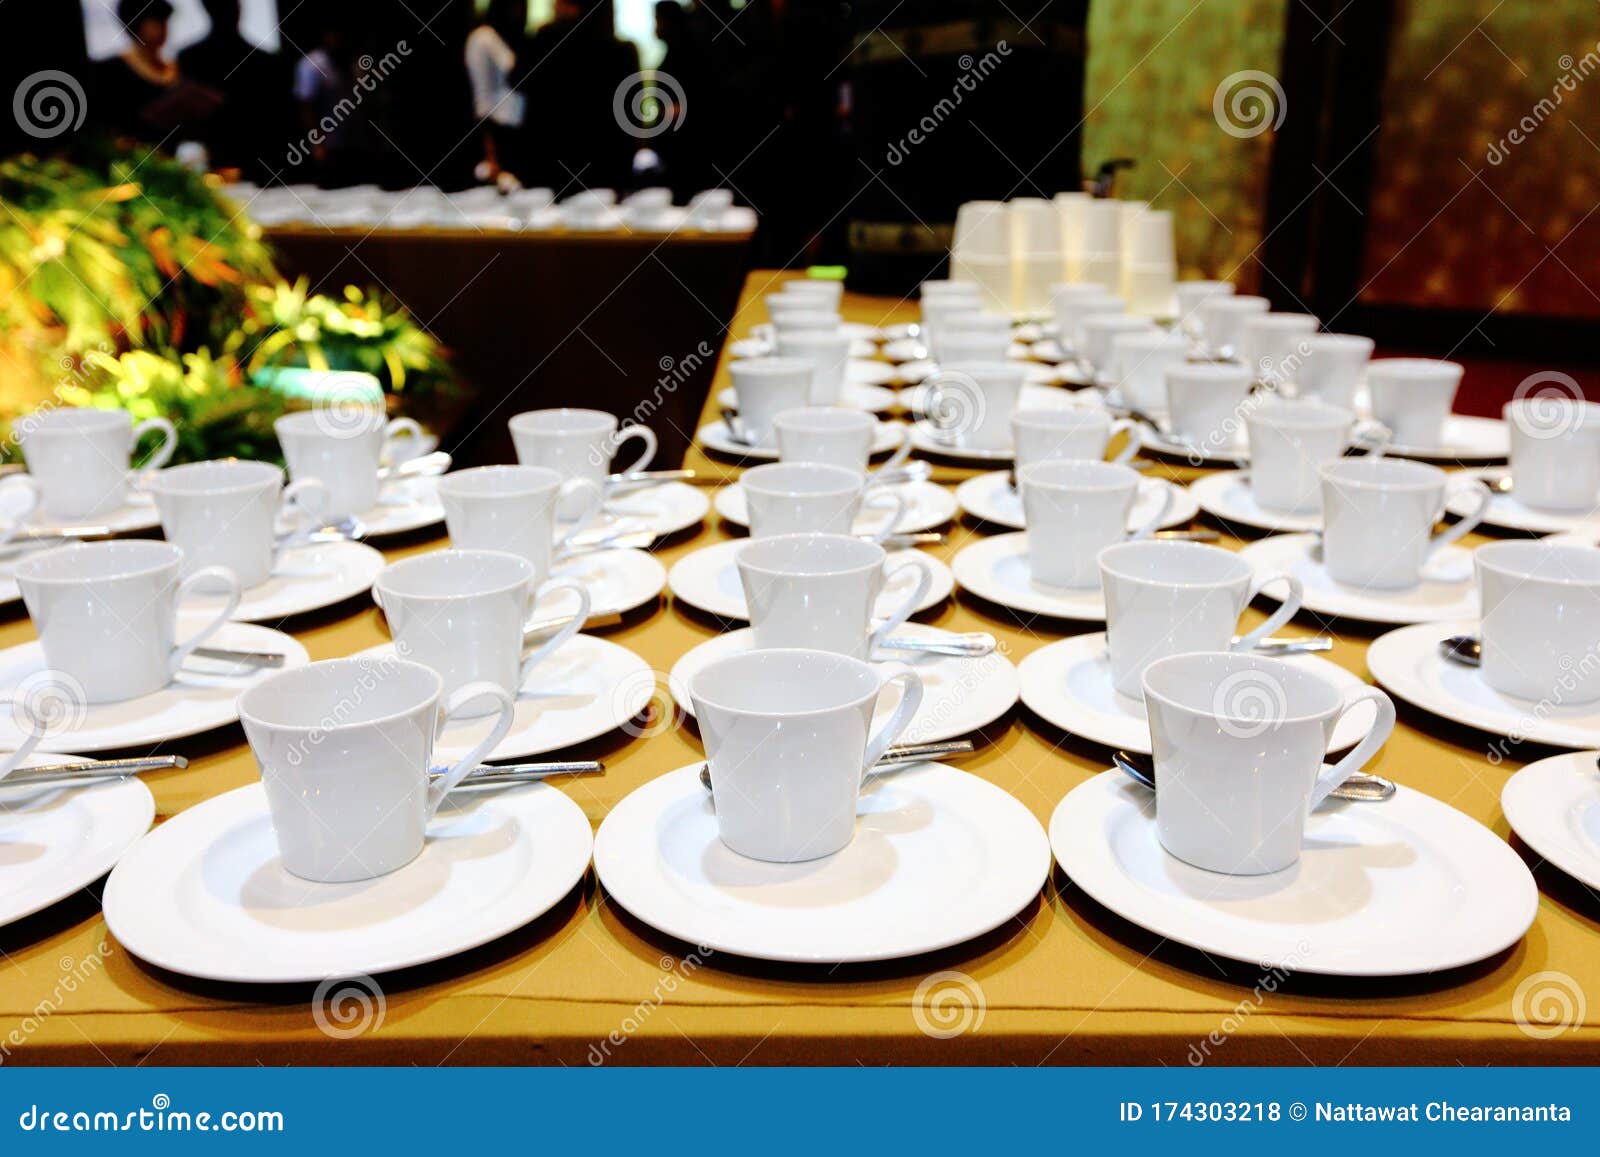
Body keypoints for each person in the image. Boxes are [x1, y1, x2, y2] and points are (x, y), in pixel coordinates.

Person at [516, 0, 641, 193]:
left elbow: (518, 81)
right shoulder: (622, 52)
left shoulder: (545, 40)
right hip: (607, 165)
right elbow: (632, 116)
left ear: (573, 7)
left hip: (551, 165)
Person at [177, 0, 291, 180]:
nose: (231, 12)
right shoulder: (189, 59)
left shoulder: (266, 62)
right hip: (209, 163)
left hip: (259, 164)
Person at [96, 0, 220, 141]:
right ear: (136, 24)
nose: (163, 28)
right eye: (156, 22)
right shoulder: (111, 70)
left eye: (165, 22)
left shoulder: (179, 67)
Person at [465, 0, 528, 184]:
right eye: (516, 7)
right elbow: (512, 71)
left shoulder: (494, 36)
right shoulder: (485, 37)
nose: (520, 13)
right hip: (495, 123)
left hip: (501, 121)